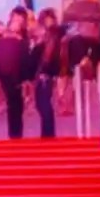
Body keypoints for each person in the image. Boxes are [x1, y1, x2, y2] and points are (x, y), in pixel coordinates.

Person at [0, 8, 31, 139]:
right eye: (16, 19)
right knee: (14, 106)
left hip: (17, 77)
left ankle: (15, 137)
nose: (18, 22)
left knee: (16, 108)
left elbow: (25, 58)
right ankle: (15, 137)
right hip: (6, 76)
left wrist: (25, 79)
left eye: (21, 20)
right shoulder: (1, 36)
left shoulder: (23, 38)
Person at [30, 9, 64, 139]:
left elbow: (48, 58)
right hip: (44, 74)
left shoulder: (52, 37)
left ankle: (48, 135)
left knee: (44, 105)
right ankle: (47, 134)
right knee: (42, 104)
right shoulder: (49, 37)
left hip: (45, 74)